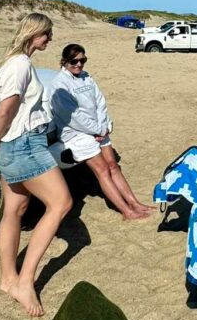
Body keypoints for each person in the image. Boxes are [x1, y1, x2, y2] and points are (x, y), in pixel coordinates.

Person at [0, 13, 73, 318]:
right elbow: (6, 109)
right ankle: (25, 281)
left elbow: (4, 111)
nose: (50, 39)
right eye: (47, 34)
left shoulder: (12, 63)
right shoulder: (20, 65)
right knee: (61, 204)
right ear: (34, 33)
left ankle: (7, 279)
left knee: (15, 210)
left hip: (12, 145)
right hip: (24, 145)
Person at [47, 43, 151, 220]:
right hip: (76, 133)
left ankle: (135, 203)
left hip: (98, 129)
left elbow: (100, 102)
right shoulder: (59, 84)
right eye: (74, 61)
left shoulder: (87, 77)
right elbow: (73, 117)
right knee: (102, 170)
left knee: (113, 165)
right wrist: (97, 130)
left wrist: (104, 126)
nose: (79, 64)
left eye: (83, 60)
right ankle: (127, 212)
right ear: (64, 61)